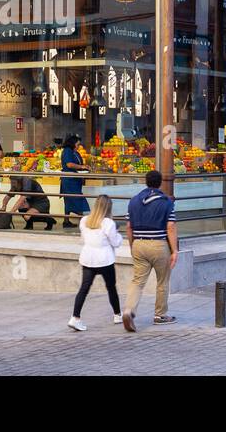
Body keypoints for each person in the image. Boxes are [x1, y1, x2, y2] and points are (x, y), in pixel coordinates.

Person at [122, 170, 178, 332]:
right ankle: (160, 315)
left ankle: (129, 310)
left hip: (139, 243)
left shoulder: (134, 201)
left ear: (146, 182)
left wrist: (133, 246)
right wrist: (174, 250)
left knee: (137, 281)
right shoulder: (166, 202)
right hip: (159, 245)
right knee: (162, 281)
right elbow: (171, 226)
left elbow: (128, 226)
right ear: (160, 183)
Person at [68, 194, 123, 331]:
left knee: (84, 289)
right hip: (105, 259)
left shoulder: (84, 221)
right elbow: (115, 242)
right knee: (111, 287)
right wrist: (118, 234)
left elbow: (84, 239)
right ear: (108, 208)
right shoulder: (108, 223)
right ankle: (117, 314)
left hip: (88, 258)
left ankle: (75, 317)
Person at [59, 135, 90, 229]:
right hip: (69, 180)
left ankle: (66, 221)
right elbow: (69, 164)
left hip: (75, 180)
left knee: (69, 200)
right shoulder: (67, 151)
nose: (78, 146)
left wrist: (84, 166)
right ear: (72, 143)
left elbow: (79, 163)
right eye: (77, 144)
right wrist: (82, 167)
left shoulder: (75, 152)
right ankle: (84, 221)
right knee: (78, 200)